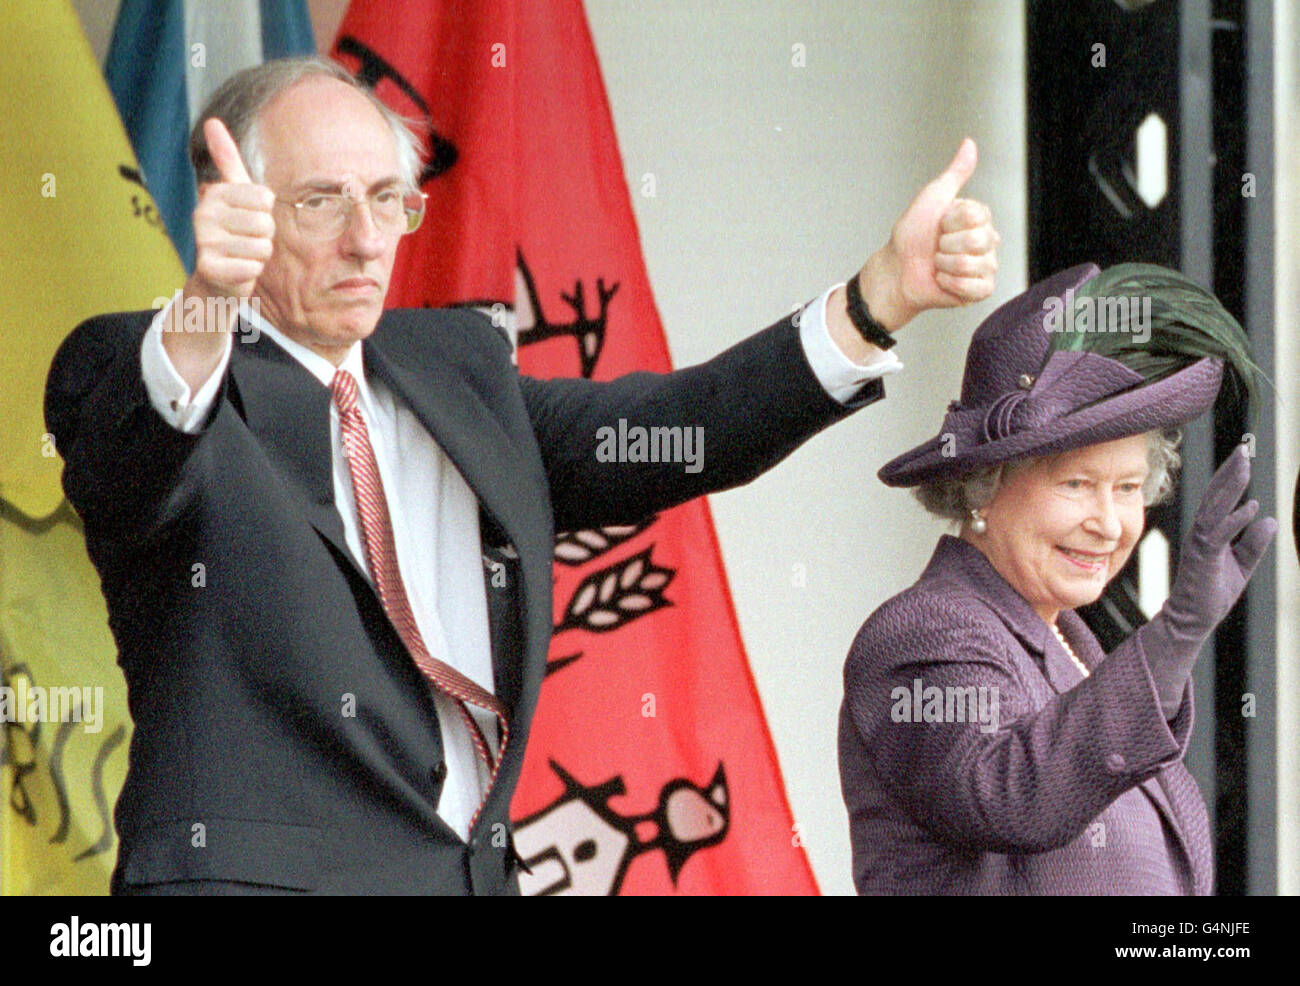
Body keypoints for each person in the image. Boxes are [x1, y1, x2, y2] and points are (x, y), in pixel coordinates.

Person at [45, 56, 1000, 894]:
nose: (367, 240)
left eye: (387, 199)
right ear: (235, 207)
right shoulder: (147, 373)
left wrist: (880, 299)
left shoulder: (455, 371)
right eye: (320, 202)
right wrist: (210, 301)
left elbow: (682, 428)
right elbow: (138, 460)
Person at [838, 262, 1277, 895]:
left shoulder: (1078, 651)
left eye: (1128, 488)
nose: (1108, 522)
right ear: (983, 485)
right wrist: (1177, 632)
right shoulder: (925, 633)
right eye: (1077, 484)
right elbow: (1008, 794)